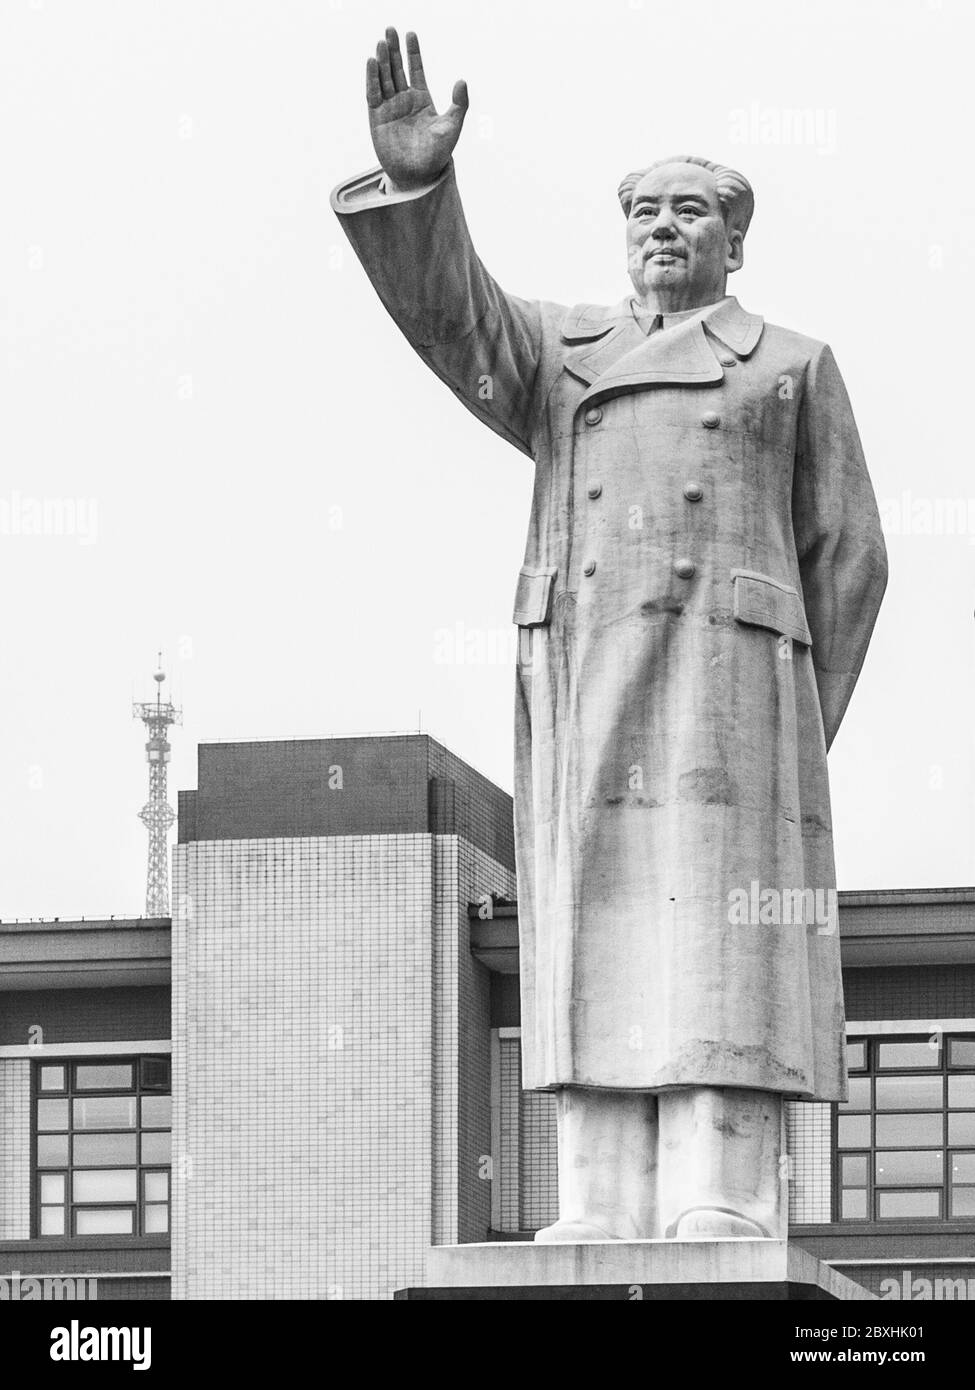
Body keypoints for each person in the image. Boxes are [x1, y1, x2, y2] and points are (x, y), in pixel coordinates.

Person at [332, 27, 888, 1241]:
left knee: (719, 939)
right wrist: (423, 187)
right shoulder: (562, 357)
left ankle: (718, 1189)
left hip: (727, 701)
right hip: (592, 685)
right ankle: (598, 1195)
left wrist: (790, 726)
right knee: (599, 931)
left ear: (736, 240)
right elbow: (453, 325)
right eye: (645, 210)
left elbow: (852, 556)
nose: (664, 227)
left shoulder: (790, 367)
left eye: (692, 211)